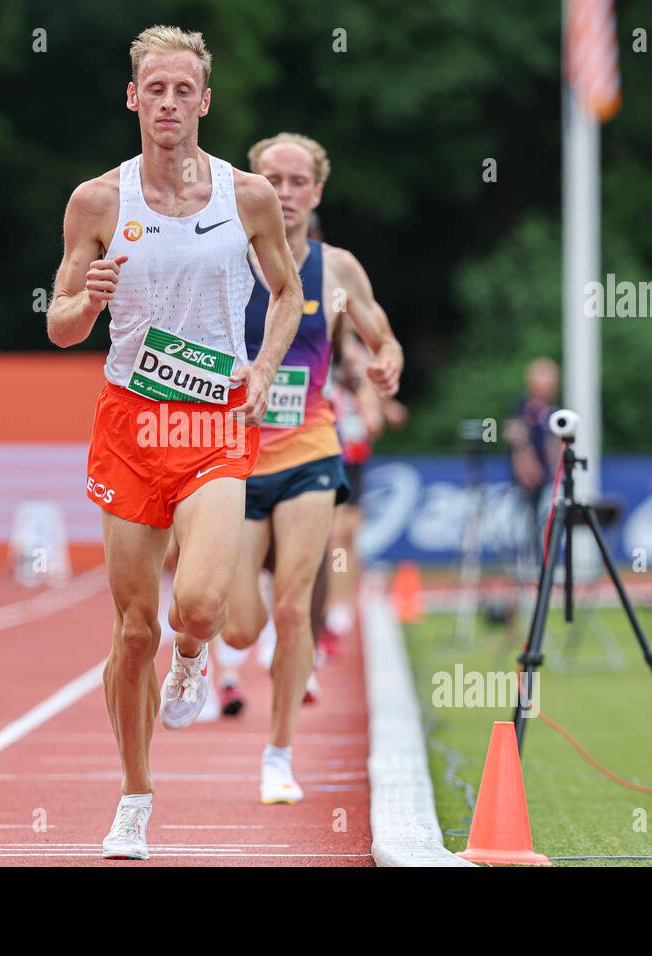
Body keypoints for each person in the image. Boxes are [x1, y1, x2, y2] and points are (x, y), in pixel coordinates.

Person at [46, 26, 302, 860]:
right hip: (130, 426)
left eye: (182, 90)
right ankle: (134, 797)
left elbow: (289, 293)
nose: (167, 103)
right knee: (130, 634)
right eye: (153, 89)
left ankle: (194, 659)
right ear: (132, 98)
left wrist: (262, 367)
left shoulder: (249, 196)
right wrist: (87, 298)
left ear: (204, 101)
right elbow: (59, 326)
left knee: (197, 606)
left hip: (215, 428)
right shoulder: (96, 202)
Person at [216, 132, 402, 804]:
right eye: (274, 180)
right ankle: (203, 655)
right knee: (236, 624)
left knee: (294, 609)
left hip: (308, 450)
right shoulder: (221, 258)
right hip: (229, 461)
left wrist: (387, 364)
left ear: (316, 193)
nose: (287, 194)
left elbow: (383, 336)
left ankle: (278, 754)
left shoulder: (337, 270)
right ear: (252, 186)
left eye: (299, 183)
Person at [505, 357, 561, 572]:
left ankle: (544, 565)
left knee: (545, 524)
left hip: (547, 479)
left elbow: (554, 445)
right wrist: (527, 467)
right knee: (526, 523)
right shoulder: (521, 407)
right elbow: (515, 437)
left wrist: (552, 469)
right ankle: (525, 567)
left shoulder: (553, 410)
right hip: (525, 479)